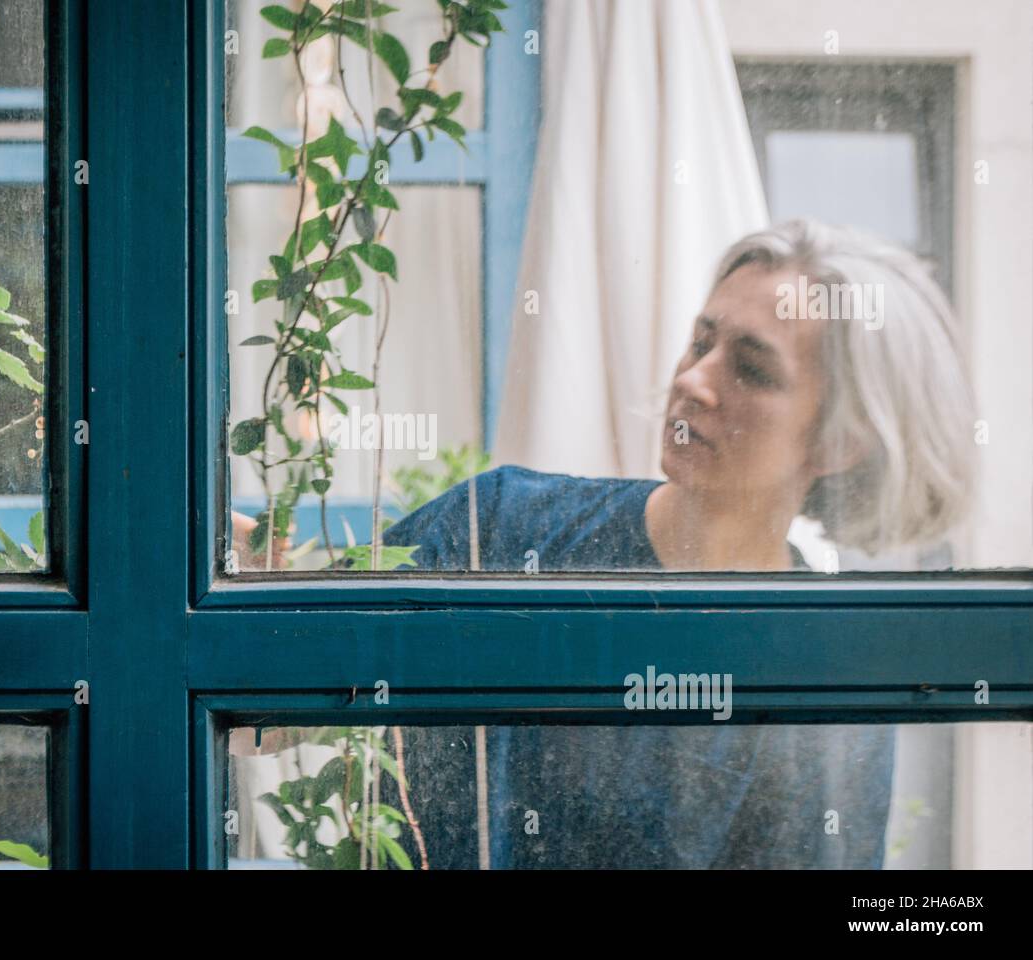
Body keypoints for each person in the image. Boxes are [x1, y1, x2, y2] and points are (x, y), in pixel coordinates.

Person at [367, 220, 977, 867]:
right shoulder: (497, 524)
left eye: (750, 368)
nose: (693, 380)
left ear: (839, 442)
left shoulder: (823, 686)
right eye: (700, 341)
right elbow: (287, 708)